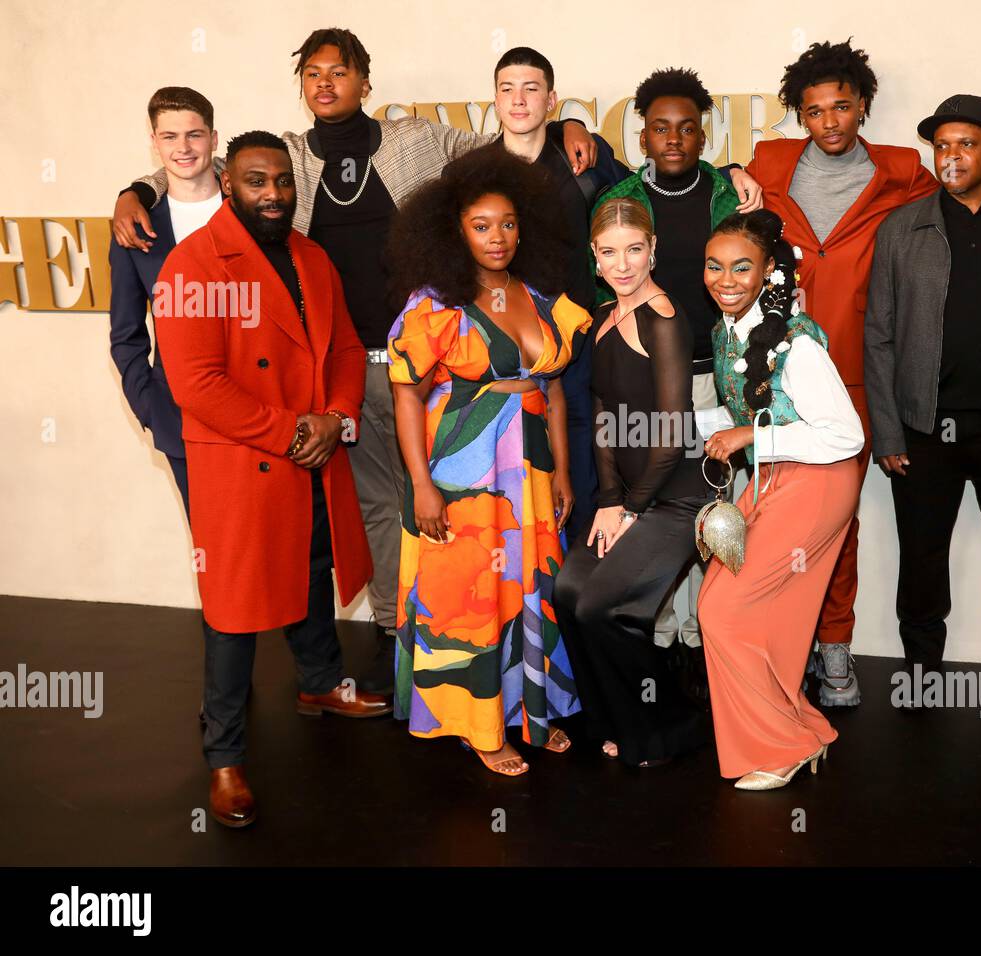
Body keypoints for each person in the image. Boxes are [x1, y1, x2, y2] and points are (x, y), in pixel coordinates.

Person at [112, 27, 597, 695]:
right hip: (338, 376)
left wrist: (569, 119)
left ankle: (475, 640)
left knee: (456, 503)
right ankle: (403, 634)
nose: (325, 83)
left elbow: (503, 147)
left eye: (339, 72)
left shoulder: (415, 139)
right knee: (375, 508)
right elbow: (208, 170)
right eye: (313, 73)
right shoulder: (292, 161)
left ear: (365, 81)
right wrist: (136, 189)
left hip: (430, 366)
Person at [154, 131, 388, 829]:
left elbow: (347, 346)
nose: (274, 194)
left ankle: (318, 685)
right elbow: (196, 384)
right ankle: (224, 758)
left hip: (312, 452)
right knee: (233, 614)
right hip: (246, 462)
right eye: (258, 181)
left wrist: (338, 414)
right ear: (229, 184)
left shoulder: (313, 256)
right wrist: (292, 430)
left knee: (313, 568)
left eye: (284, 181)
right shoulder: (191, 268)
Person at [745, 39, 939, 706]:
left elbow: (960, 223)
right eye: (815, 110)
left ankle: (834, 653)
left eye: (842, 107)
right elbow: (695, 189)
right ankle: (782, 652)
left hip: (855, 374)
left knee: (836, 525)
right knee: (771, 523)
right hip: (774, 372)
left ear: (862, 107)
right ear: (800, 114)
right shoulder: (766, 163)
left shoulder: (905, 171)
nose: (829, 121)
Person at [386, 147, 589, 776]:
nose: (496, 237)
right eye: (480, 225)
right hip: (463, 474)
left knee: (530, 589)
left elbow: (550, 389)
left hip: (527, 477)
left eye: (506, 223)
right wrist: (422, 485)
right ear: (455, 231)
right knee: (470, 601)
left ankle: (532, 709)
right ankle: (478, 727)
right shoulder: (435, 304)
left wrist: (560, 470)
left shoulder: (538, 295)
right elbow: (407, 394)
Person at [863, 94, 981, 723]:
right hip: (923, 432)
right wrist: (888, 428)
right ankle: (922, 672)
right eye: (942, 145)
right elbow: (880, 335)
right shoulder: (903, 228)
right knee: (922, 561)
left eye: (966, 144)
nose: (951, 156)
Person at [589, 67, 754, 696]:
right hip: (646, 379)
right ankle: (662, 643)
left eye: (687, 127)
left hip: (714, 377)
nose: (675, 138)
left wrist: (737, 167)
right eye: (661, 127)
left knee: (710, 508)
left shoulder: (727, 192)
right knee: (654, 503)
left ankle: (705, 638)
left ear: (703, 133)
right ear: (643, 134)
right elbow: (605, 276)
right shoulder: (621, 198)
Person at [695, 209, 863, 789]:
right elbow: (743, 411)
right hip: (774, 476)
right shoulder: (724, 332)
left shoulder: (798, 342)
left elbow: (847, 435)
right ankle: (799, 729)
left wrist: (749, 436)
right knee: (726, 604)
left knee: (723, 610)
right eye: (715, 267)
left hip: (818, 481)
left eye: (743, 268)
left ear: (769, 271)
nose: (726, 279)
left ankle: (780, 746)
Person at [553, 197, 712, 767]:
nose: (623, 265)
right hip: (628, 500)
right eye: (610, 253)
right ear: (595, 259)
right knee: (568, 594)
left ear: (653, 252)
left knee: (601, 607)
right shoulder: (601, 318)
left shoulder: (665, 319)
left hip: (677, 496)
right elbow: (602, 416)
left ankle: (669, 727)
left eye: (635, 250)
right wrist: (608, 502)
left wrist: (632, 510)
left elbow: (671, 436)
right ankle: (614, 721)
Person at [489, 46, 630, 538]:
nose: (518, 100)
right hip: (501, 352)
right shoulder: (475, 172)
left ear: (551, 100)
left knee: (582, 471)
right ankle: (524, 605)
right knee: (508, 474)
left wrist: (731, 171)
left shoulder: (585, 162)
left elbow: (652, 195)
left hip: (575, 347)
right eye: (507, 89)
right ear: (495, 99)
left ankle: (578, 598)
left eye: (530, 89)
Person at [109, 87, 225, 515]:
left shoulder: (252, 211)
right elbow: (126, 334)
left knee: (273, 548)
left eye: (194, 135)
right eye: (170, 136)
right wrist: (150, 406)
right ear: (154, 142)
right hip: (180, 420)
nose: (183, 148)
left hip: (263, 417)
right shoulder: (135, 229)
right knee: (213, 554)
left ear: (213, 139)